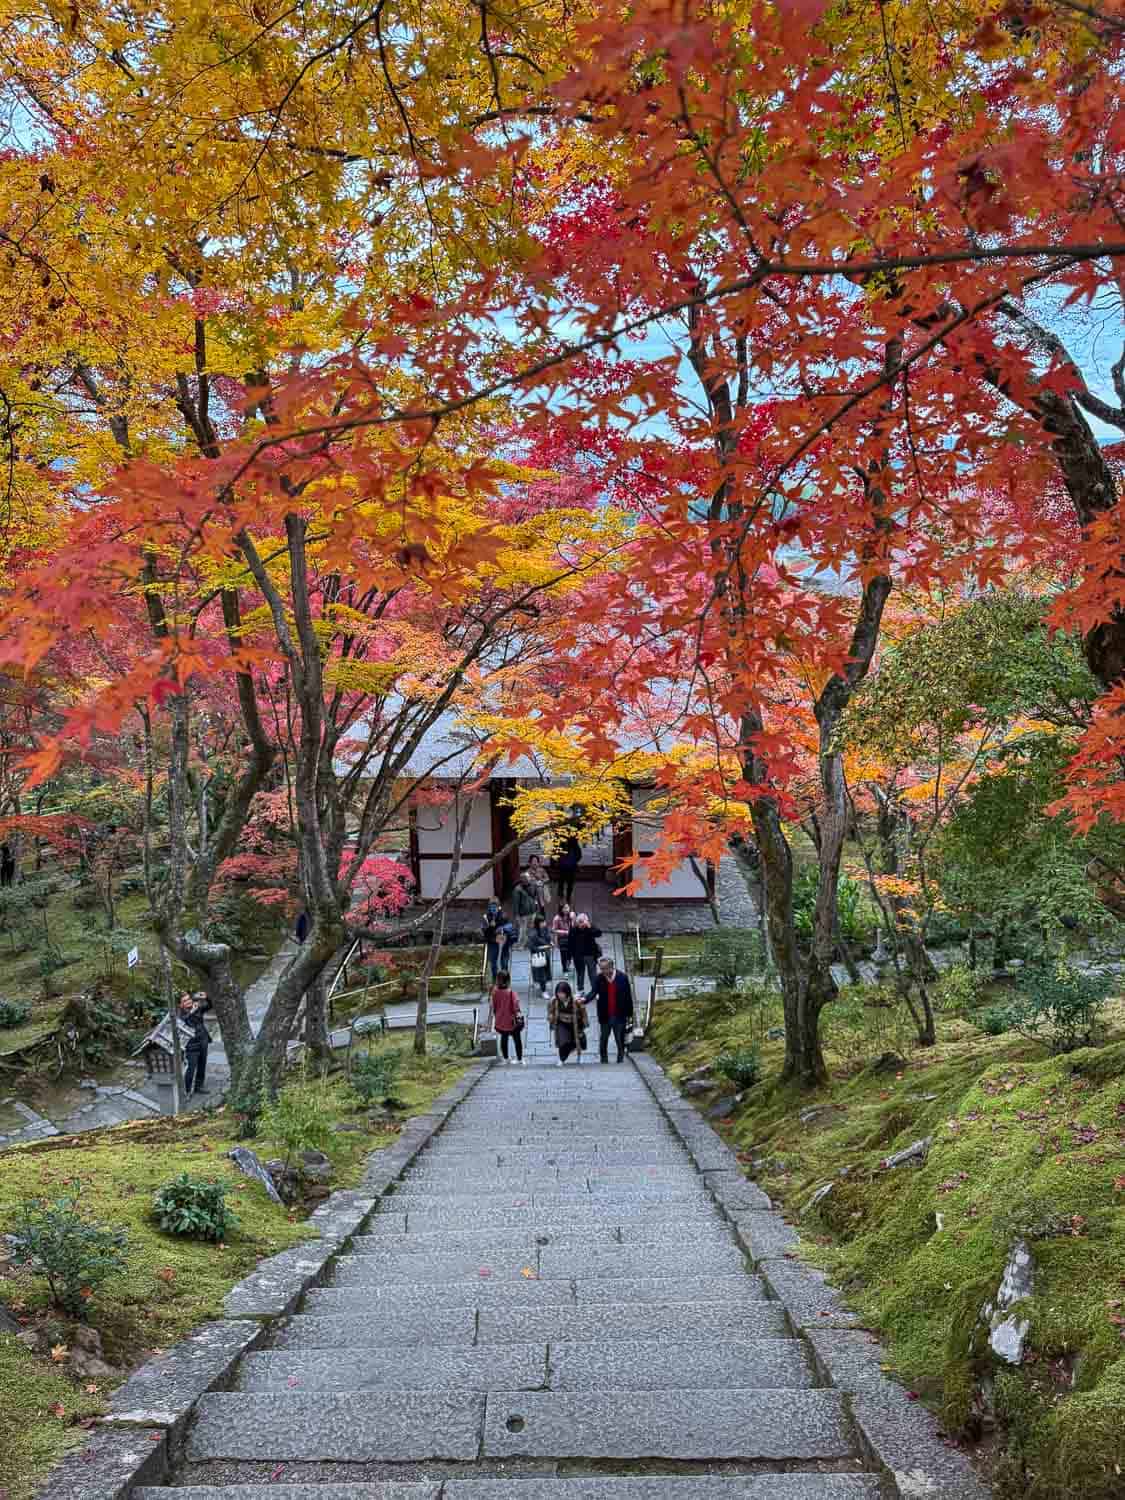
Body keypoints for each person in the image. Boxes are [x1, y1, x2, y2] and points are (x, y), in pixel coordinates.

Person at [586, 955, 635, 1064]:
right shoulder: (599, 978)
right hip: (605, 1013)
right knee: (604, 1038)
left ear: (611, 967)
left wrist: (630, 1014)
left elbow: (628, 996)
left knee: (619, 1038)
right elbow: (593, 992)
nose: (603, 971)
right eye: (601, 968)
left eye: (605, 968)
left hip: (619, 1013)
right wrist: (584, 1000)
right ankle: (604, 1059)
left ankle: (620, 1058)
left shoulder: (622, 977)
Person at [487, 969, 525, 1066]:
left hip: (501, 1020)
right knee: (517, 1040)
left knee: (504, 1039)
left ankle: (506, 1058)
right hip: (512, 1021)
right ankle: (519, 1059)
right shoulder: (511, 993)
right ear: (508, 980)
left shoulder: (495, 993)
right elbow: (516, 1006)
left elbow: (493, 1006)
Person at [179, 991, 213, 1096]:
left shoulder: (197, 1008)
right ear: (181, 1004)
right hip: (191, 1044)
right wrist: (191, 1011)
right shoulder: (180, 1014)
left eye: (189, 999)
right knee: (191, 1067)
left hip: (203, 1039)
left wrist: (206, 997)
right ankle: (187, 1090)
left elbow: (209, 1006)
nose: (188, 1001)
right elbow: (184, 1021)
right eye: (185, 1001)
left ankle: (199, 1086)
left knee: (202, 1064)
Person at [548, 980, 587, 1066]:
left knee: (576, 1041)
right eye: (558, 993)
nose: (560, 995)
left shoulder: (576, 1001)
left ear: (567, 992)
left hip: (575, 1023)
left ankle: (579, 1056)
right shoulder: (554, 1001)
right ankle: (562, 1059)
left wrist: (584, 1024)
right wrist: (551, 1019)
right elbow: (551, 1012)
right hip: (562, 1023)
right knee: (563, 1041)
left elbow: (583, 1013)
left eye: (562, 993)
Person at [568, 912, 603, 992]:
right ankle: (580, 990)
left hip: (590, 955)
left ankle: (595, 991)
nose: (582, 926)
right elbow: (570, 944)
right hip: (578, 957)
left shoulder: (589, 927)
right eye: (580, 923)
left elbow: (599, 933)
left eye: (583, 923)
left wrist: (590, 927)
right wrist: (569, 958)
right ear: (577, 923)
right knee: (580, 974)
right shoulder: (573, 930)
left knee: (593, 974)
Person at [528, 914, 553, 997]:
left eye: (544, 921)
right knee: (541, 972)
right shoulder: (533, 933)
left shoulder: (544, 929)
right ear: (538, 923)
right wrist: (543, 947)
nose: (544, 923)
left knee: (546, 971)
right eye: (542, 922)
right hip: (539, 955)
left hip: (546, 954)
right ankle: (543, 991)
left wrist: (550, 942)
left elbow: (548, 938)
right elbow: (531, 947)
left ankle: (542, 984)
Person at [556, 832, 581, 908]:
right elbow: (579, 854)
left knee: (566, 882)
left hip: (567, 865)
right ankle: (565, 897)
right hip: (565, 865)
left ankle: (565, 897)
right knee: (565, 882)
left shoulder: (571, 841)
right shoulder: (572, 841)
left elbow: (578, 853)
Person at [512, 874, 538, 946]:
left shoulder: (532, 886)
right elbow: (515, 903)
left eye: (528, 878)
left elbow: (535, 896)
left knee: (530, 928)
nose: (528, 880)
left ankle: (527, 943)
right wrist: (517, 915)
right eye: (526, 878)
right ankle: (520, 944)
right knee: (522, 929)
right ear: (522, 880)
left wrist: (536, 907)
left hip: (532, 912)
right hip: (523, 914)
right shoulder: (517, 889)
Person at [481, 898, 504, 980]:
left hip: (503, 942)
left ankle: (504, 981)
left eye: (495, 907)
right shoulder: (486, 917)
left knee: (503, 963)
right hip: (492, 942)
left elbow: (509, 927)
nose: (493, 909)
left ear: (498, 907)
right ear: (489, 908)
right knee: (493, 963)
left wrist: (503, 931)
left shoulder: (503, 915)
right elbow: (484, 933)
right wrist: (491, 927)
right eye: (491, 907)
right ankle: (494, 980)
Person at [551, 903, 573, 973]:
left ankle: (567, 965)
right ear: (561, 909)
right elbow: (554, 930)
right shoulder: (557, 918)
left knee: (570, 954)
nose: (567, 909)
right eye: (565, 908)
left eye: (568, 907)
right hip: (562, 939)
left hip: (570, 938)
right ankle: (565, 969)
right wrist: (565, 932)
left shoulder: (571, 916)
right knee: (563, 955)